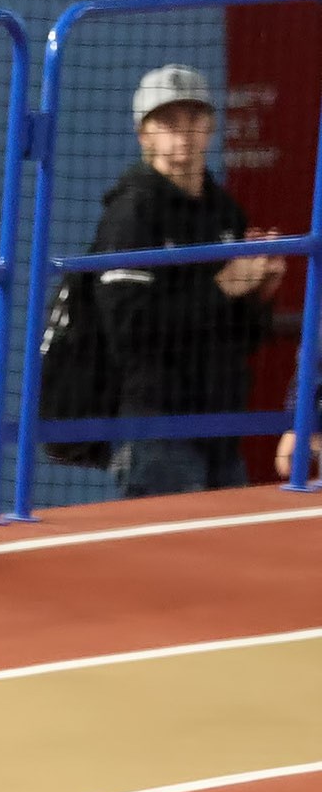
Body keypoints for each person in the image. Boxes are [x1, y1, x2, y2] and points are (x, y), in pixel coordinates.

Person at [93, 64, 281, 498]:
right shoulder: (130, 213)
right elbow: (128, 330)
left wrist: (259, 293)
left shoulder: (225, 212)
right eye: (167, 121)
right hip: (158, 429)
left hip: (222, 429)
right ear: (144, 135)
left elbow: (243, 338)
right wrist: (223, 287)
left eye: (194, 118)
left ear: (211, 127)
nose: (183, 133)